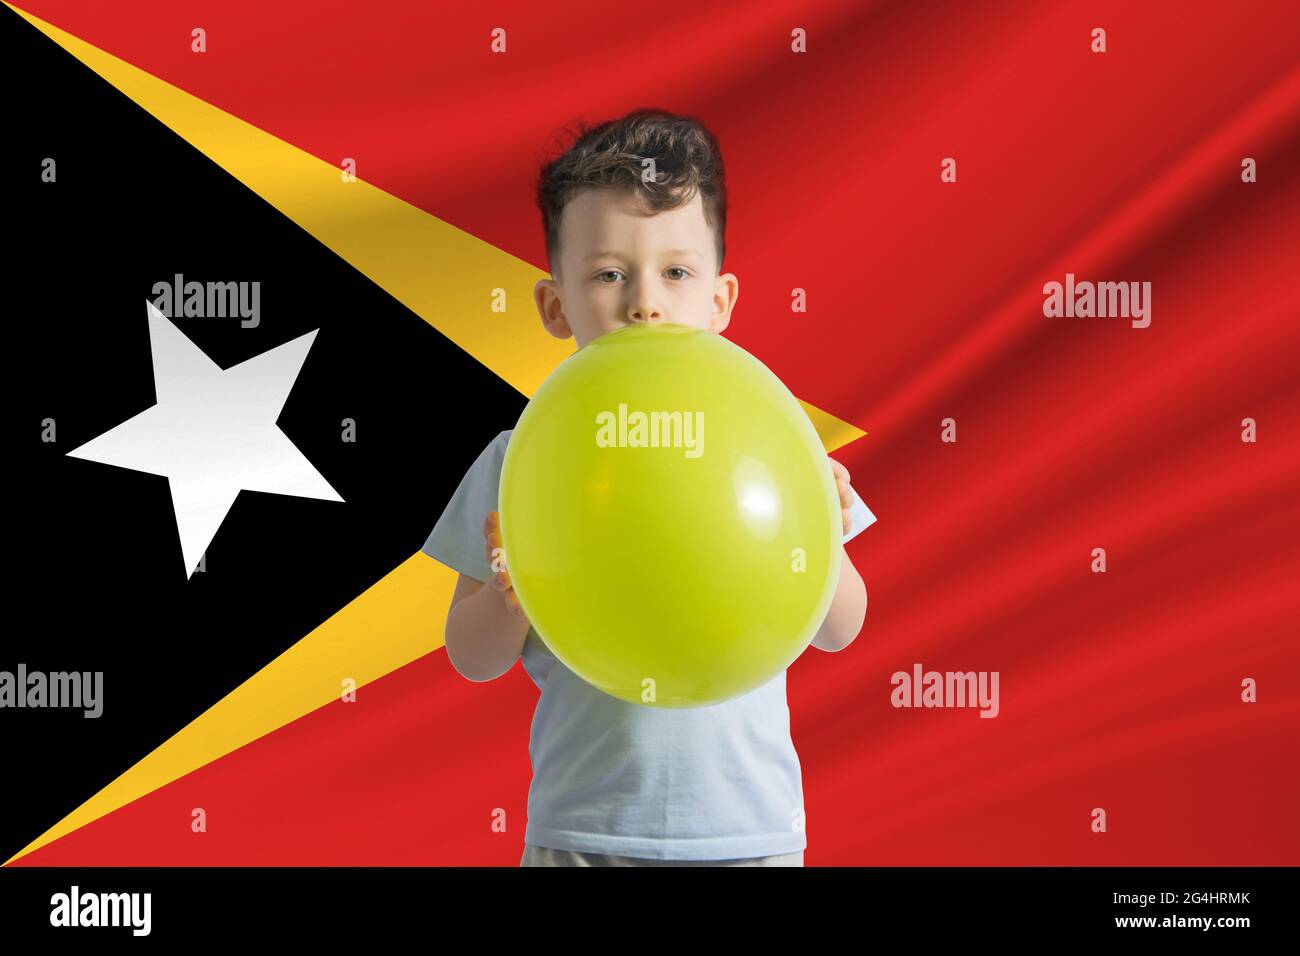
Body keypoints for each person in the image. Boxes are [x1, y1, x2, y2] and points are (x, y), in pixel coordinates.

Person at [422, 108, 875, 866]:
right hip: (583, 833)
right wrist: (508, 594)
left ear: (720, 301)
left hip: (749, 834)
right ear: (555, 306)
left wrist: (822, 534)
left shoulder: (774, 438)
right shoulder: (521, 457)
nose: (645, 303)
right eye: (608, 274)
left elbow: (839, 628)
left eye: (676, 273)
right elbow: (472, 657)